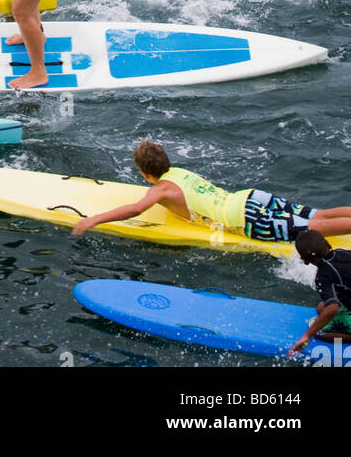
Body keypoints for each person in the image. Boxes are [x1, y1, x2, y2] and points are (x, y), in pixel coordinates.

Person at [71, 139, 351, 243]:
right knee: (320, 213)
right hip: (250, 197)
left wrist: (93, 219)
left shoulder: (161, 190)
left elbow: (135, 209)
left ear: (145, 174)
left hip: (243, 218)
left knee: (313, 228)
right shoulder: (179, 172)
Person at [289, 230, 351, 352]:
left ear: (304, 260)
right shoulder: (342, 252)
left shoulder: (323, 275)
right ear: (327, 243)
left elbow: (332, 309)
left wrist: (307, 335)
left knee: (319, 332)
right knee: (321, 307)